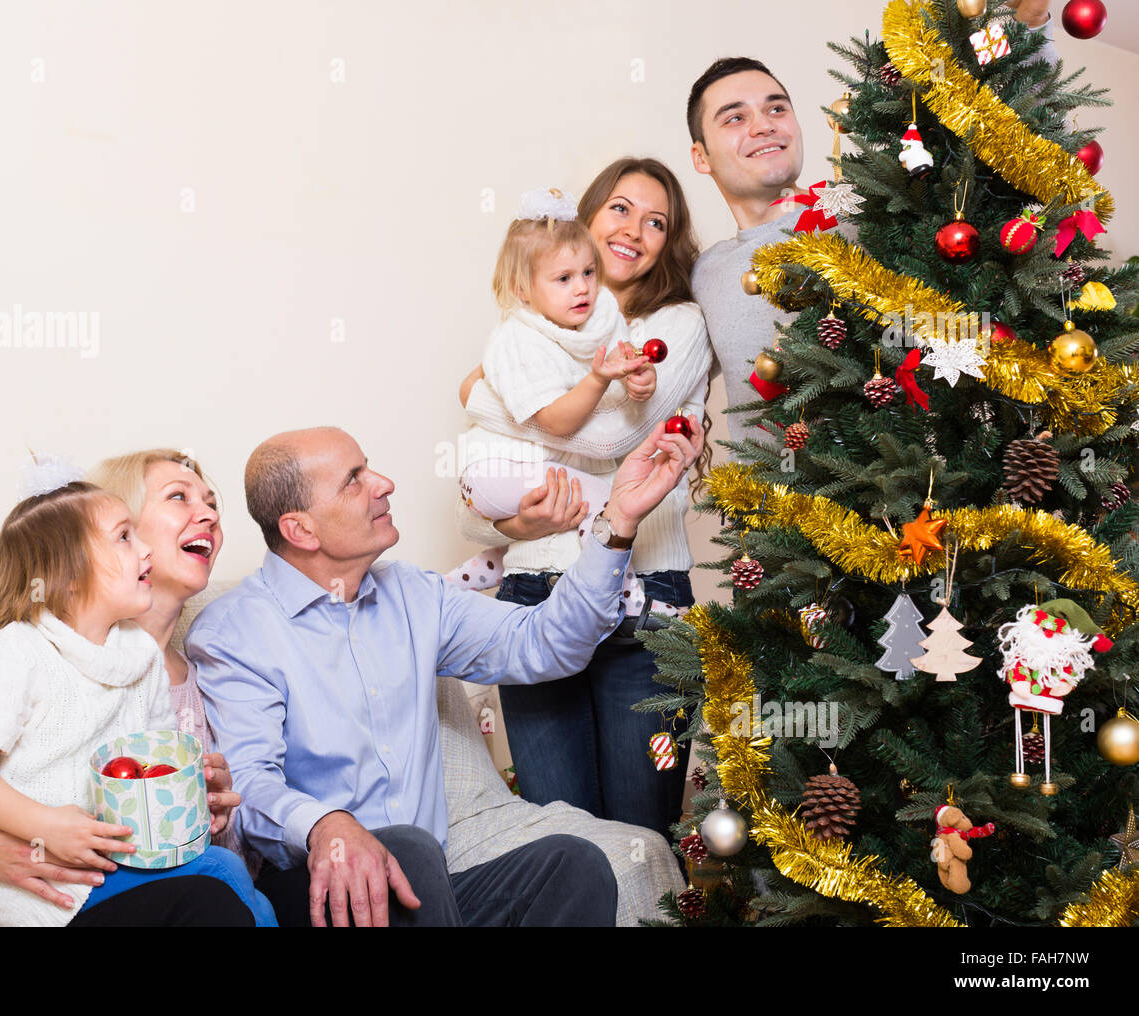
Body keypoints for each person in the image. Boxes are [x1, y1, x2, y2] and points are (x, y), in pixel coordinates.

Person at [186, 417, 704, 927]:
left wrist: (618, 520)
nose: (384, 484)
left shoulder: (413, 595)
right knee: (407, 847)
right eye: (354, 479)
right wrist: (327, 824)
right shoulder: (234, 633)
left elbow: (546, 643)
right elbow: (248, 784)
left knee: (575, 864)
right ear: (300, 529)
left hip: (425, 885)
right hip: (320, 887)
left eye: (370, 469)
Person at [0, 450, 258, 927]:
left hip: (137, 871)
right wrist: (26, 833)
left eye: (211, 501)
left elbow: (157, 780)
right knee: (212, 900)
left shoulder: (171, 667)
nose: (209, 514)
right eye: (126, 535)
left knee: (233, 878)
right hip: (59, 896)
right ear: (71, 570)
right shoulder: (18, 654)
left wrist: (197, 804)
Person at [452, 158, 711, 838]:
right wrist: (512, 517)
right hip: (535, 598)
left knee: (642, 839)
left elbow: (603, 437)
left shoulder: (675, 326)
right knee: (558, 837)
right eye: (620, 209)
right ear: (583, 222)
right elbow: (474, 499)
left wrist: (480, 395)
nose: (636, 231)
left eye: (657, 222)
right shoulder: (528, 330)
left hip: (644, 607)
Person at [685, 0, 1056, 411]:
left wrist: (1033, 23)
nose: (763, 125)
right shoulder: (703, 274)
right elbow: (661, 377)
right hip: (756, 475)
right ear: (700, 157)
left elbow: (994, 133)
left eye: (776, 108)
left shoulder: (874, 201)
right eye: (734, 118)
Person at [444, 185, 682, 622]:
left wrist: (638, 381)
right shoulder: (518, 338)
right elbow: (556, 421)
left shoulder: (603, 315)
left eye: (589, 273)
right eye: (564, 279)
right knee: (611, 502)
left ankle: (468, 577)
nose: (583, 289)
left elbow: (622, 379)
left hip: (524, 475)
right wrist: (597, 379)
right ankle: (631, 596)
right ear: (522, 288)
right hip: (492, 472)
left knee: (568, 513)